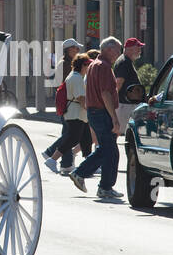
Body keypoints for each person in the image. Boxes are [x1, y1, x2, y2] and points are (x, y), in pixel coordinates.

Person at [68, 36, 123, 201]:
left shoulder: (93, 65)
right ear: (109, 49)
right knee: (111, 151)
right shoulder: (104, 67)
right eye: (117, 50)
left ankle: (100, 184)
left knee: (106, 149)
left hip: (94, 112)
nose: (118, 54)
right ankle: (99, 184)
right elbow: (105, 93)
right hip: (101, 112)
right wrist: (114, 118)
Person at [41, 38, 81, 172]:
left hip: (68, 102)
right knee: (70, 134)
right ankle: (51, 152)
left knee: (68, 133)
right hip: (68, 103)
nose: (78, 51)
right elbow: (67, 84)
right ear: (69, 50)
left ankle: (66, 164)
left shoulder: (68, 63)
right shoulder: (65, 64)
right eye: (76, 48)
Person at [57, 53, 94, 174]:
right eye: (88, 65)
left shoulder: (76, 76)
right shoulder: (77, 78)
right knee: (73, 139)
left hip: (79, 114)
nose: (89, 67)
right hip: (76, 114)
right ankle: (52, 160)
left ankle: (89, 165)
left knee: (86, 140)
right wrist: (91, 110)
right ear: (83, 65)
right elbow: (81, 98)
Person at [112, 37, 144, 130]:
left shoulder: (126, 61)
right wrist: (113, 102)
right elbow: (118, 83)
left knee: (123, 133)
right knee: (118, 132)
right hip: (124, 105)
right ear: (130, 49)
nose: (140, 51)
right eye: (138, 48)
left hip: (127, 104)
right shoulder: (124, 62)